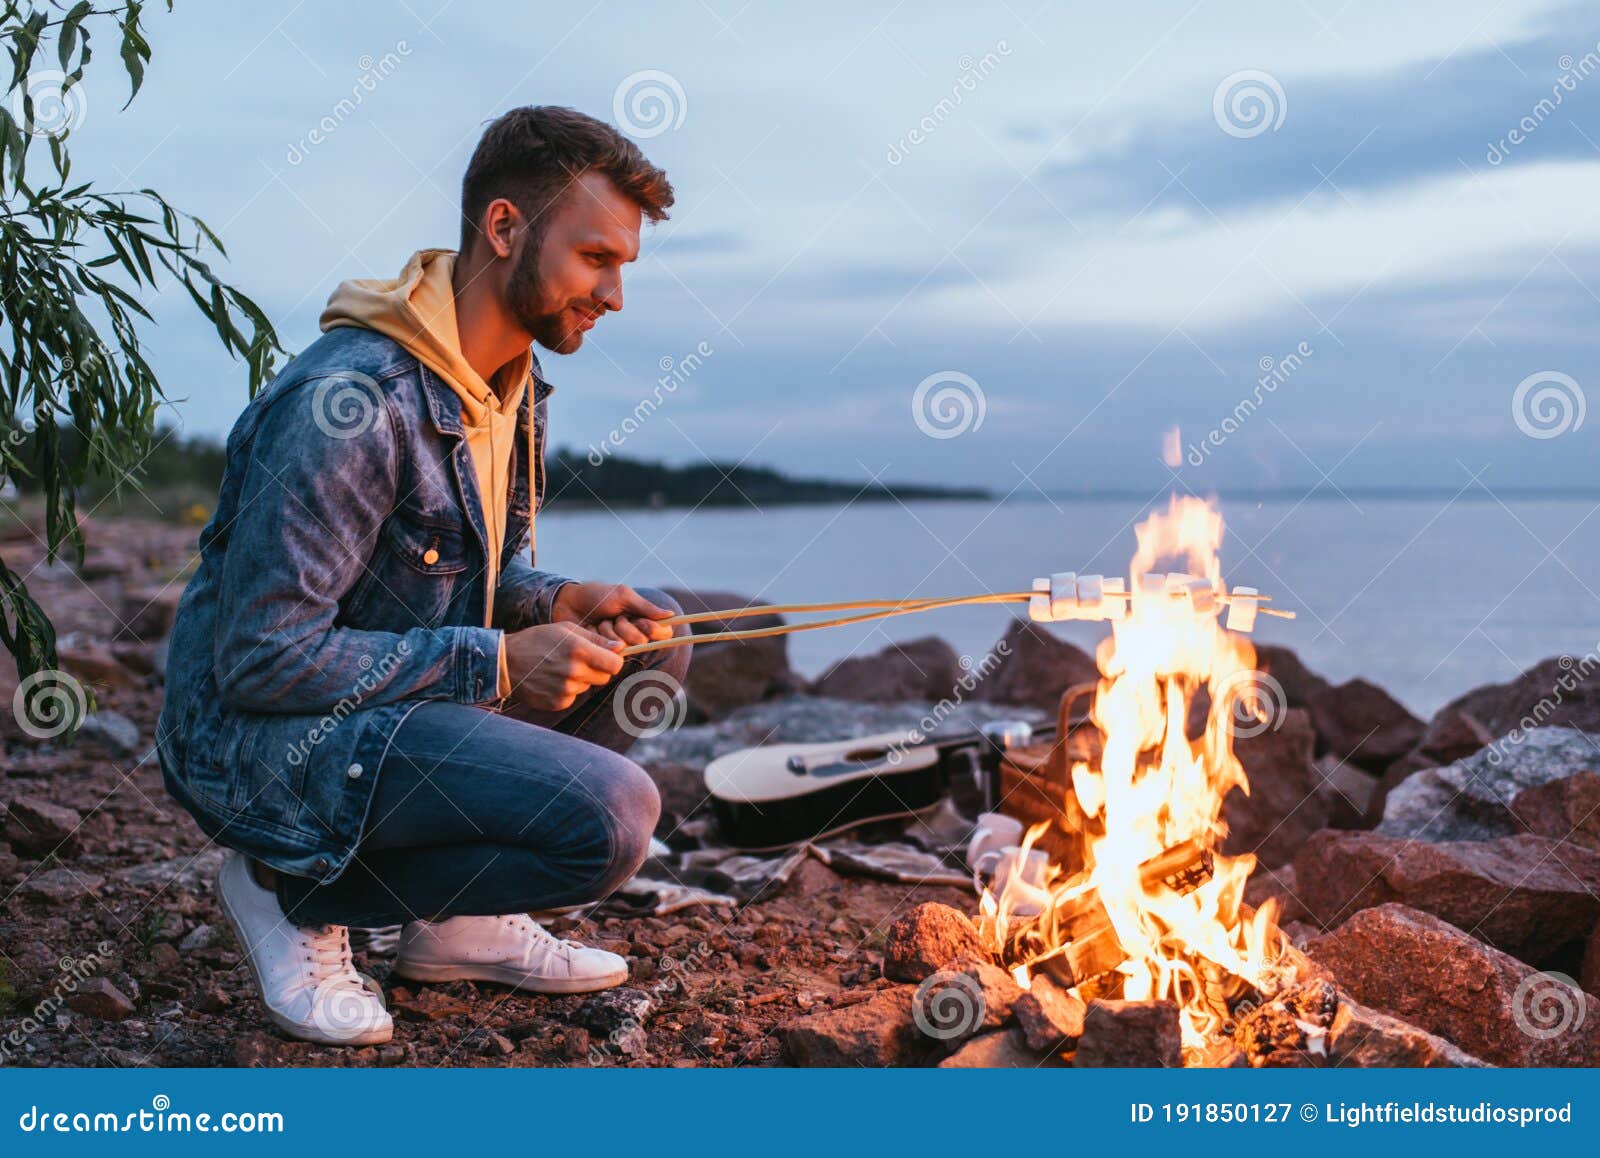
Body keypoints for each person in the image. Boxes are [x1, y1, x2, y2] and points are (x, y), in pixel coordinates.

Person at [156, 106, 688, 1046]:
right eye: (595, 257)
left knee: (654, 648)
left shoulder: (508, 388)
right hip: (260, 747)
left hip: (384, 710)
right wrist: (494, 663)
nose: (613, 294)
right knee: (612, 819)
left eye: (623, 267)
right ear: (504, 228)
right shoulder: (351, 406)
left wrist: (558, 602)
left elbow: (461, 573)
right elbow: (261, 661)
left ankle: (452, 927)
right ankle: (290, 886)